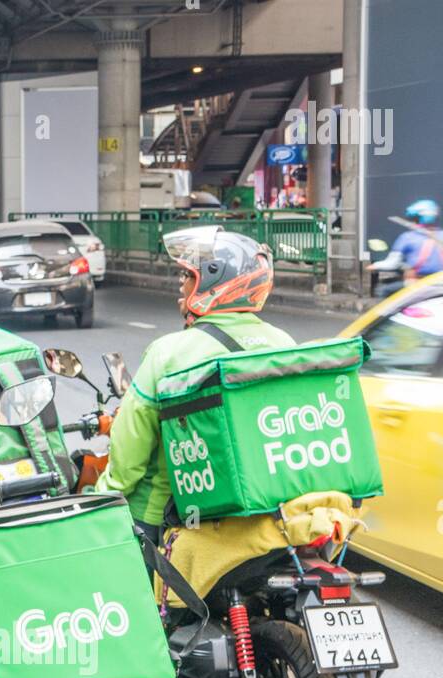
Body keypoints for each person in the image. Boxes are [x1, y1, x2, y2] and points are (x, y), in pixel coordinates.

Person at [95, 226, 296, 542]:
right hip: (267, 510)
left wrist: (103, 496)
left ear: (215, 284)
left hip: (172, 516)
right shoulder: (284, 343)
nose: (181, 281)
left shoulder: (169, 352)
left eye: (188, 275)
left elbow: (130, 453)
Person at [388, 199, 443, 281]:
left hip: (418, 283)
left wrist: (374, 266)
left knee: (384, 290)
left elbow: (392, 263)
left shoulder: (407, 237)